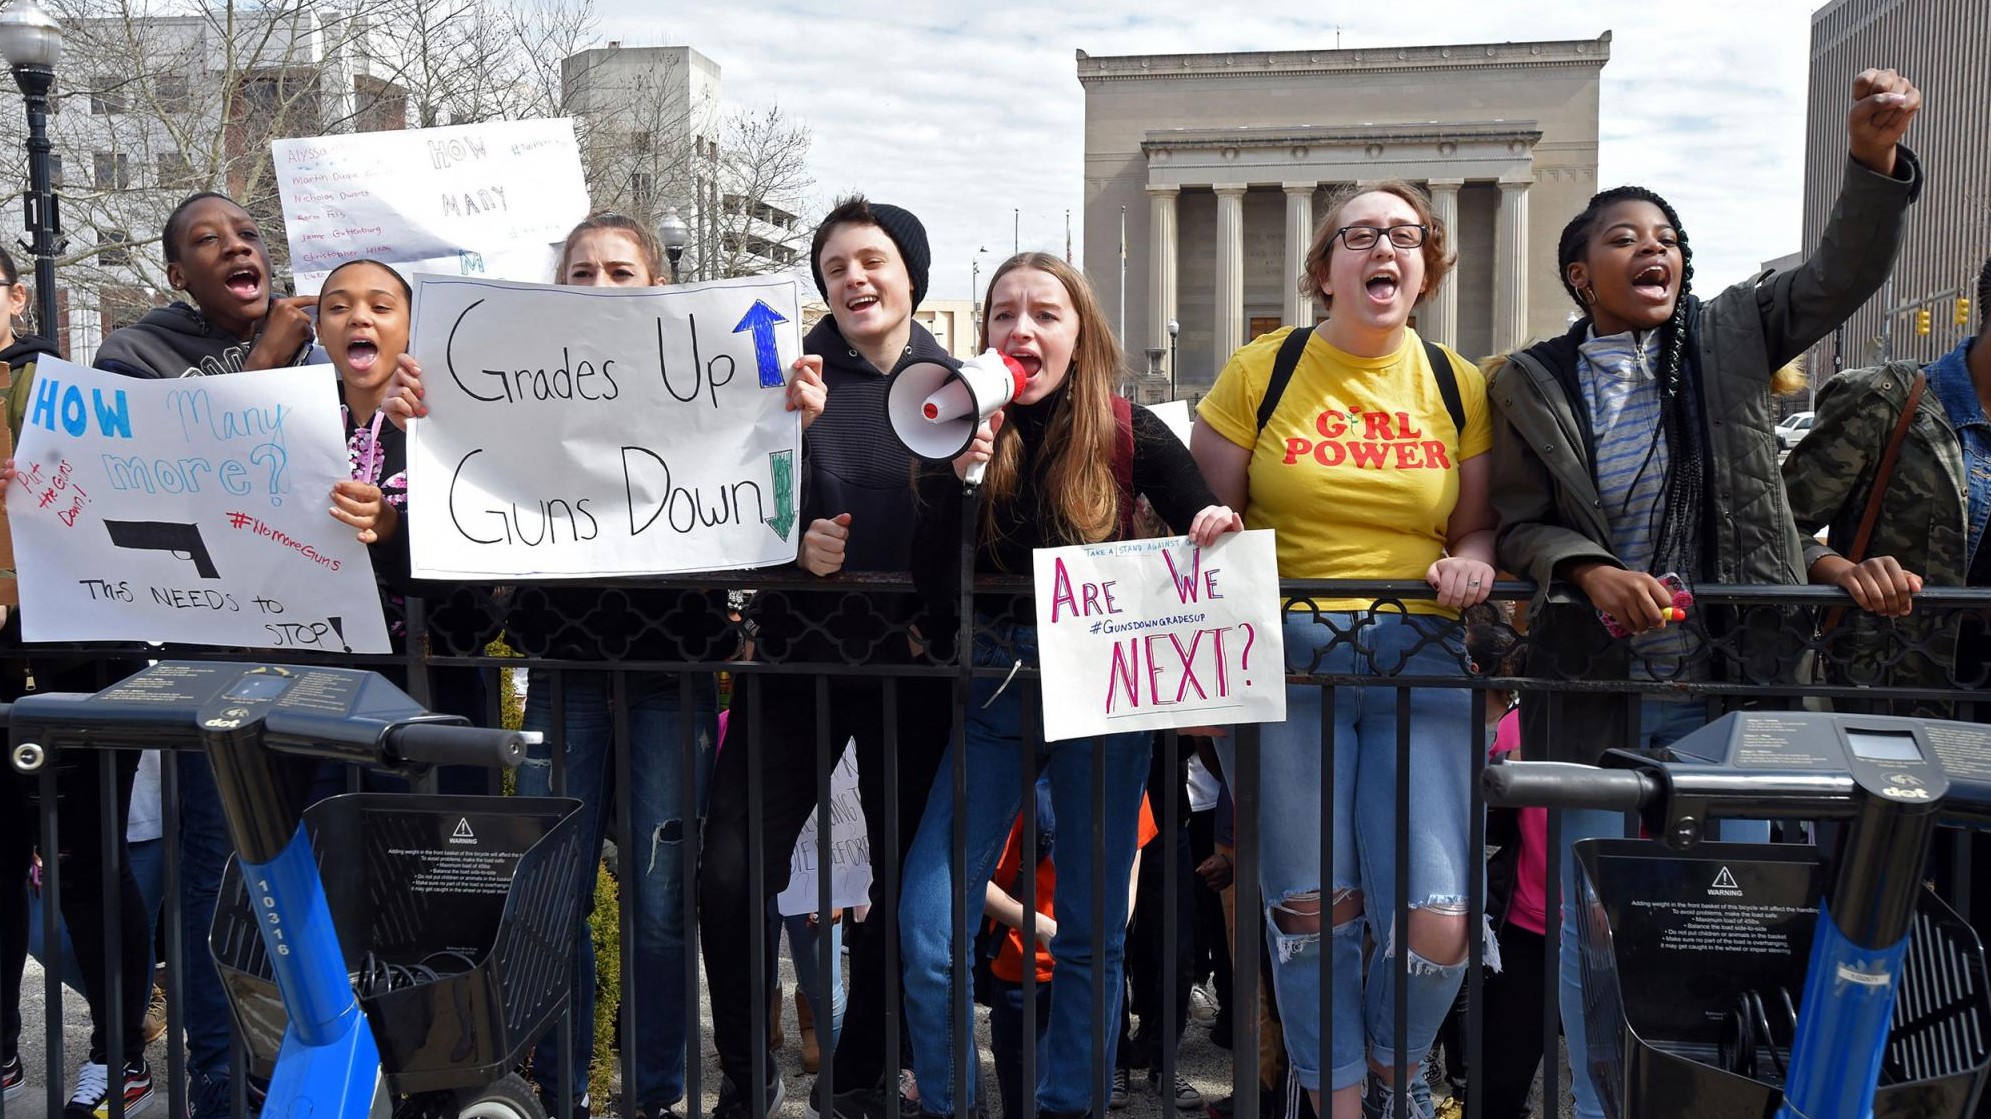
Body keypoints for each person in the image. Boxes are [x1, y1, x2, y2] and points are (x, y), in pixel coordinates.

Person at [1487, 68, 1923, 1119]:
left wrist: (1870, 162)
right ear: (1576, 270)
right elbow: (1513, 520)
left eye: (1668, 239)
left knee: (1726, 930)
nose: (1655, 251)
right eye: (1627, 237)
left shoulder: (1730, 335)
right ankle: (1596, 1103)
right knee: (1598, 933)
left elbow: (1834, 277)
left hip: (1733, 697)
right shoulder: (1527, 379)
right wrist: (1585, 571)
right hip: (1597, 700)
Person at [388, 210, 823, 1119]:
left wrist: (789, 425)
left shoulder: (704, 371)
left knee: (663, 900)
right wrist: (417, 424)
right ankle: (561, 1087)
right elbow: (454, 501)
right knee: (551, 895)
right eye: (580, 271)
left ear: (656, 284)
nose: (597, 285)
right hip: (561, 666)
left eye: (619, 271)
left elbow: (777, 518)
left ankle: (655, 1094)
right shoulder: (522, 378)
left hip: (669, 672)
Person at [901, 251, 1241, 1119]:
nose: (1020, 329)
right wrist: (958, 481)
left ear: (1079, 337)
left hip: (1104, 690)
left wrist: (1210, 520)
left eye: (1044, 313)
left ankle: (1067, 1103)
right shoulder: (958, 431)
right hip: (995, 687)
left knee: (1091, 928)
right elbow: (934, 590)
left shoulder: (1128, 433)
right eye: (1002, 313)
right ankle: (950, 1103)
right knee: (925, 922)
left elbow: (1201, 514)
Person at [1192, 179, 1494, 1119]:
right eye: (1359, 235)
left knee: (1439, 918)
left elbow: (1478, 529)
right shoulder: (1262, 368)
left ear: (1425, 266)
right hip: (1290, 655)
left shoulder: (1456, 381)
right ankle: (1336, 1097)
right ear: (1324, 270)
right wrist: (1211, 522)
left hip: (1425, 662)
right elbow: (1199, 523)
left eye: (1404, 235)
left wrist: (1471, 565)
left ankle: (1399, 1068)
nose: (1384, 250)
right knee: (1311, 905)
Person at [692, 197, 953, 1119]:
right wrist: (792, 543)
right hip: (797, 663)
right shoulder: (778, 376)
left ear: (911, 274)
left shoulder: (955, 387)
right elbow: (718, 514)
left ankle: (858, 1073)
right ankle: (743, 1071)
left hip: (914, 675)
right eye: (835, 265)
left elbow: (980, 531)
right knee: (727, 868)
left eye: (871, 259)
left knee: (902, 882)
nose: (853, 278)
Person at [87, 190, 322, 1119]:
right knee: (220, 894)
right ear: (177, 274)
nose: (235, 247)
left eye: (247, 235)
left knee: (323, 891)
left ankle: (320, 1079)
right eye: (205, 241)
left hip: (327, 663)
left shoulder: (321, 329)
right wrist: (264, 366)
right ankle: (224, 1091)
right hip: (214, 671)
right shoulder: (134, 354)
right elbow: (145, 467)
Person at [1782, 251, 1991, 935]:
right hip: (1887, 714)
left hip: (1980, 724)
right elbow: (1777, 528)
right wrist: (1840, 569)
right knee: (1871, 921)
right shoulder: (1890, 398)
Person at [0, 243, 158, 1119]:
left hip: (84, 664)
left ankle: (120, 1050)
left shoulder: (67, 391)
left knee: (91, 865)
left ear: (17, 296)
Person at [986, 777, 1158, 1119]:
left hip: (1093, 975)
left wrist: (1101, 935)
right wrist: (1043, 927)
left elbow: (1131, 868)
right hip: (1026, 974)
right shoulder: (1022, 784)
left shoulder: (1123, 773)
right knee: (1029, 1106)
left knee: (1090, 1104)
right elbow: (973, 882)